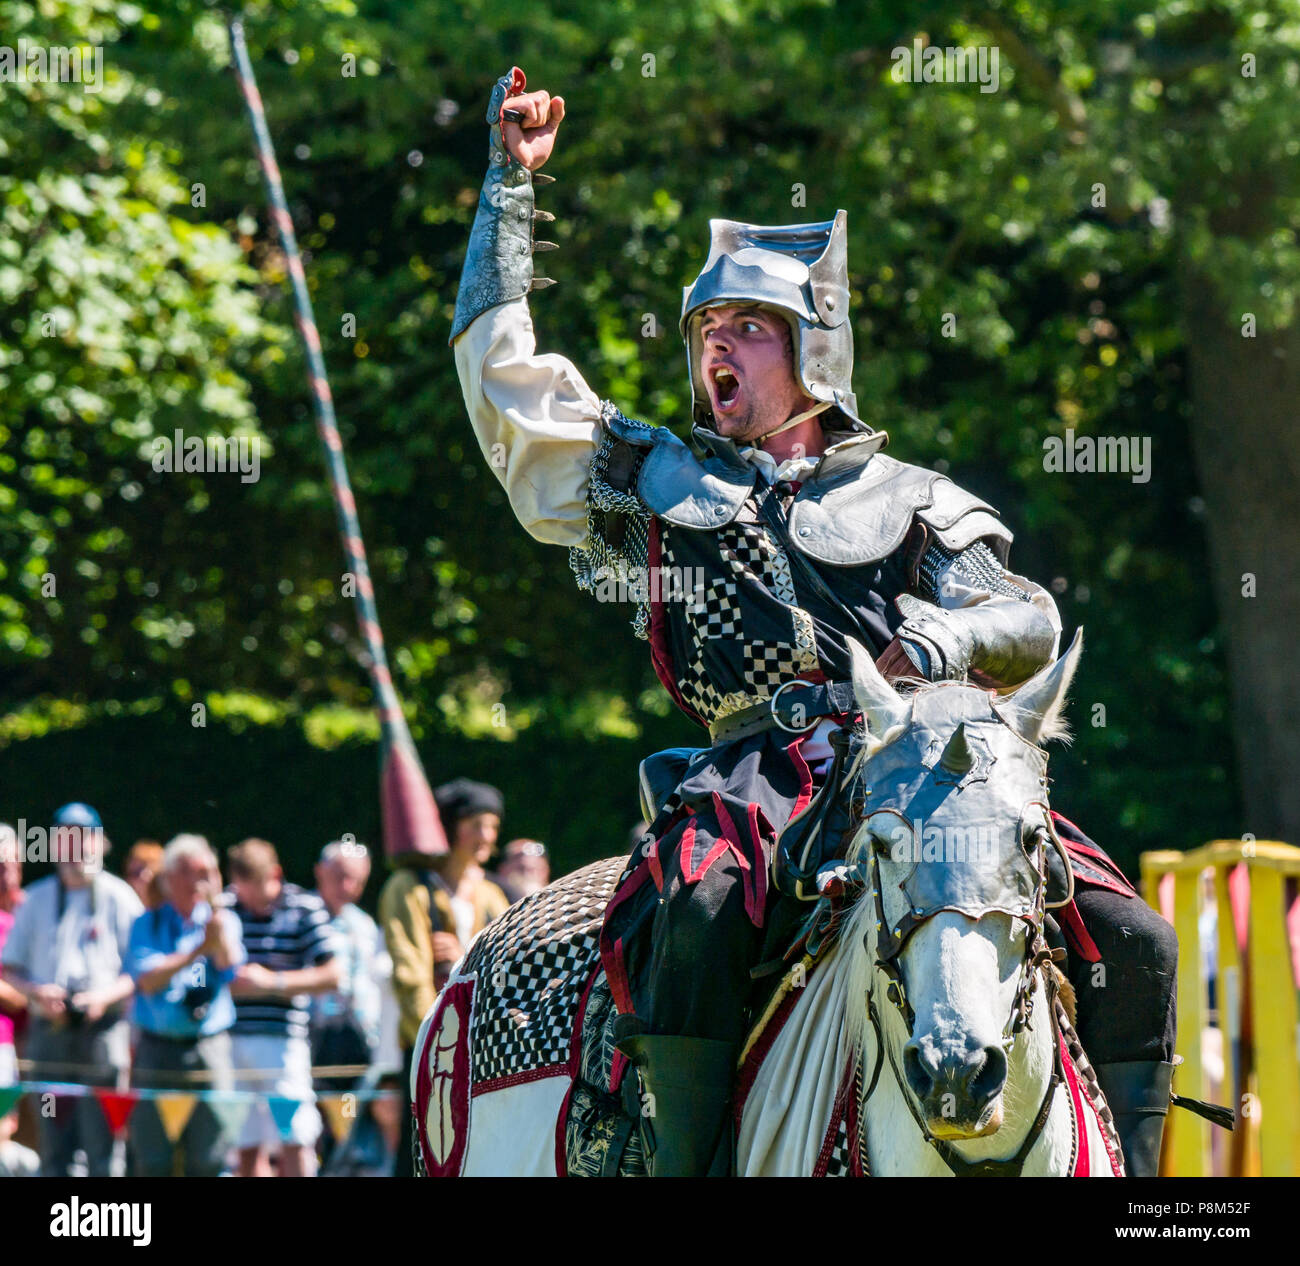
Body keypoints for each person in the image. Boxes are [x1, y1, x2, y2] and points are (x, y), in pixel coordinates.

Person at [448, 69, 1178, 1176]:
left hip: (920, 768)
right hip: (749, 783)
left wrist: (940, 643)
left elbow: (1024, 617)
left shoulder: (919, 499)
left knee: (1133, 935)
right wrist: (508, 190)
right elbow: (510, 400)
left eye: (749, 326)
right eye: (706, 329)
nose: (716, 349)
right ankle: (685, 1165)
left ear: (815, 352)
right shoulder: (654, 477)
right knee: (694, 909)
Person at [378, 778, 510, 1175]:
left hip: (485, 1044)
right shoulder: (408, 888)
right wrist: (435, 1041)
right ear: (451, 827)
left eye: (493, 826)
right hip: (428, 1045)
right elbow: (409, 973)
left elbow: (506, 965)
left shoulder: (493, 895)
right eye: (476, 825)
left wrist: (464, 954)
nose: (487, 836)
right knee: (424, 1151)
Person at [0, 803, 140, 1176]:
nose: (74, 850)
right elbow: (10, 968)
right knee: (52, 1142)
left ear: (99, 843)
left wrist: (103, 998)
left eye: (82, 840)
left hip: (102, 1039)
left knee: (104, 1146)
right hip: (50, 1041)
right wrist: (37, 992)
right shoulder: (36, 899)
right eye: (65, 841)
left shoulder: (121, 898)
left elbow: (141, 970)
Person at [125, 834, 244, 1177]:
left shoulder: (223, 922)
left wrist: (216, 934)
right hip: (156, 1052)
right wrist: (196, 951)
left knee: (210, 1157)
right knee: (152, 1159)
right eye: (194, 873)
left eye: (208, 873)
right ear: (170, 877)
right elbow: (147, 979)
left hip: (210, 1050)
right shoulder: (147, 923)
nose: (201, 882)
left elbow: (230, 968)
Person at [227, 838, 340, 1178]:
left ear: (275, 874)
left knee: (294, 1136)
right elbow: (203, 973)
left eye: (255, 886)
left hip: (283, 1043)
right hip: (231, 1041)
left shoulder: (304, 907)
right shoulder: (225, 907)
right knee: (244, 1141)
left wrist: (272, 983)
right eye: (241, 887)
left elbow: (333, 974)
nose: (247, 897)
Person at [310, 841, 383, 1090]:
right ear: (320, 871)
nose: (347, 887)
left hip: (360, 1040)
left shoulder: (365, 925)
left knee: (349, 1118)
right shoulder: (302, 916)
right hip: (313, 1037)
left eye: (357, 880)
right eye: (340, 877)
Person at [0, 823, 26, 1089]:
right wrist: (24, 996)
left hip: (35, 1041)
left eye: (14, 866)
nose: (8, 876)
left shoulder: (31, 912)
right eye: (0, 867)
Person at [495, 838, 550, 904]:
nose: (528, 876)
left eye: (533, 870)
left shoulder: (558, 902)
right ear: (503, 870)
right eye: (521, 869)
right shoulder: (493, 900)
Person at [124, 840, 165, 911]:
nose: (131, 880)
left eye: (137, 872)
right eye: (132, 873)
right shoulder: (124, 907)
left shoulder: (171, 912)